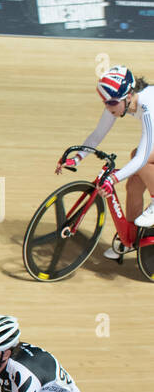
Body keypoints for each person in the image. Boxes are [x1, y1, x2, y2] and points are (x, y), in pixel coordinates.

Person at [61, 65, 154, 258]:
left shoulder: (147, 105)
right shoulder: (119, 102)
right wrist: (77, 158)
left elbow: (142, 157)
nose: (108, 107)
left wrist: (112, 179)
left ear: (128, 96)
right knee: (134, 185)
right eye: (105, 102)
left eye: (111, 103)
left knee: (140, 159)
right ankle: (130, 239)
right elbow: (97, 135)